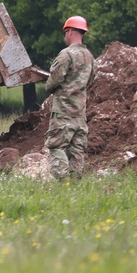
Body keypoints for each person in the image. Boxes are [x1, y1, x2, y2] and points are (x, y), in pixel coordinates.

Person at [44, 16, 96, 180]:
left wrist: (48, 85)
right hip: (80, 114)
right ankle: (75, 185)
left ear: (70, 32)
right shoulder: (89, 57)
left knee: (56, 146)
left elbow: (53, 81)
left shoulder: (66, 55)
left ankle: (61, 182)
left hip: (63, 113)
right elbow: (90, 81)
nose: (65, 36)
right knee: (77, 150)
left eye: (66, 32)